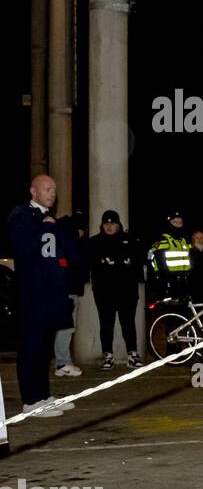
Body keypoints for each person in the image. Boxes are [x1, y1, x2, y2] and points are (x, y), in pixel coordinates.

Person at [6, 175, 78, 418]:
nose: (52, 193)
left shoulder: (50, 219)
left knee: (44, 348)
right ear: (33, 191)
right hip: (32, 295)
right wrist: (46, 227)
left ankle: (44, 397)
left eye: (54, 190)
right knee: (31, 347)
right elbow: (25, 248)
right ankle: (30, 401)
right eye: (47, 189)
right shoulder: (21, 215)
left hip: (50, 295)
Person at [89, 210, 144, 370]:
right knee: (106, 324)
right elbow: (92, 265)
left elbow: (137, 263)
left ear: (119, 224)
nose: (109, 226)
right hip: (104, 292)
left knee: (128, 323)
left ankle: (132, 354)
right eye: (106, 223)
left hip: (127, 291)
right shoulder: (95, 242)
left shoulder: (129, 241)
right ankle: (108, 355)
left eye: (113, 223)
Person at [52, 211, 88, 377]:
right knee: (66, 327)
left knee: (63, 327)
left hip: (63, 287)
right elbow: (73, 263)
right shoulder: (71, 238)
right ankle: (62, 362)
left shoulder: (61, 233)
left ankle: (62, 362)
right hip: (68, 288)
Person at [149, 211, 192, 302]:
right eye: (174, 222)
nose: (178, 225)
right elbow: (160, 262)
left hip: (184, 281)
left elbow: (190, 259)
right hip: (169, 282)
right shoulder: (162, 239)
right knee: (171, 311)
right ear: (169, 223)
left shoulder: (184, 240)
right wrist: (167, 280)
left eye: (180, 223)